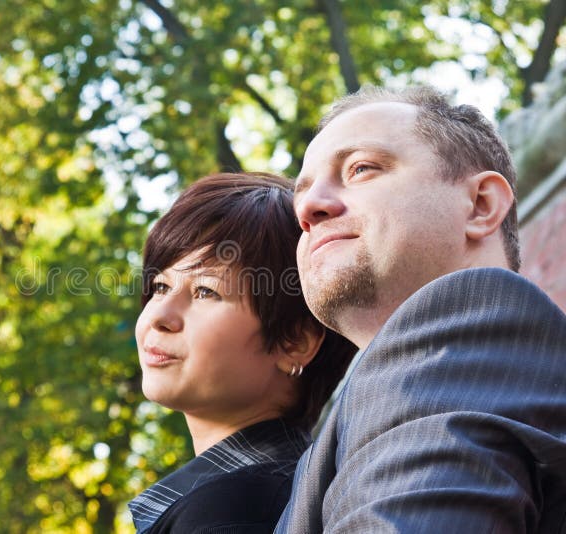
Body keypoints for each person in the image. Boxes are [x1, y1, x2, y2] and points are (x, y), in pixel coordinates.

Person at [275, 86, 566, 533]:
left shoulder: (460, 337)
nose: (309, 209)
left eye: (361, 168)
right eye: (302, 196)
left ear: (481, 205)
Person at [127, 172, 357, 533]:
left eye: (205, 291)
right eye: (160, 285)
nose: (159, 317)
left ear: (294, 341)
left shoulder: (234, 512)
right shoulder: (283, 490)